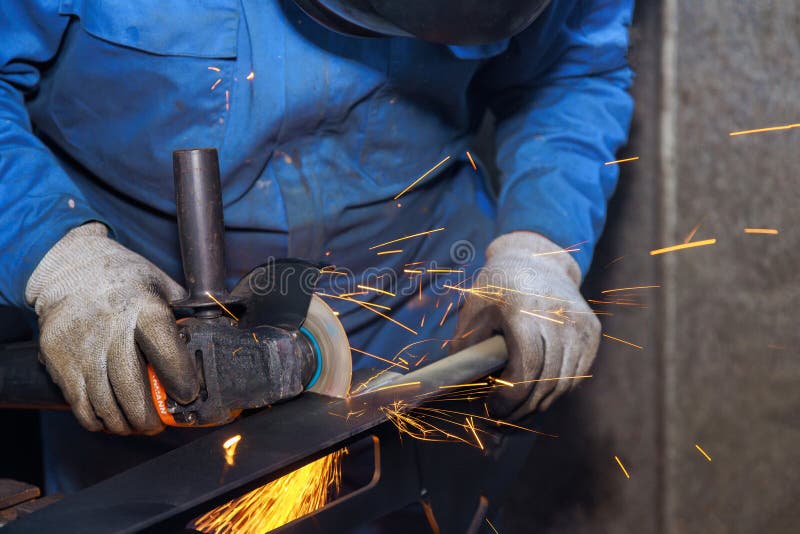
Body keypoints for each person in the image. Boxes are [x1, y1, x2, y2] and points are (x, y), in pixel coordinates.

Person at [0, 0, 634, 498]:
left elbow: (573, 73)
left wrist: (540, 244)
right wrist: (56, 256)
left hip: (416, 323)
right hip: (144, 333)